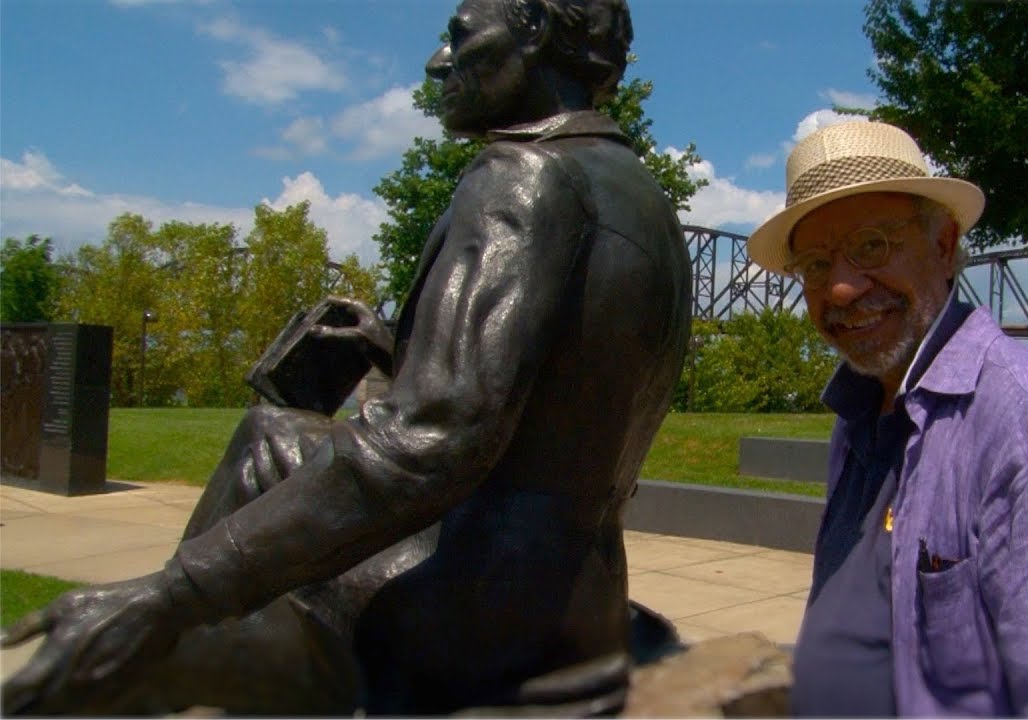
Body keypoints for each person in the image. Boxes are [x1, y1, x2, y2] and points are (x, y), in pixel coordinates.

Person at [0, 0, 691, 715]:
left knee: (263, 442)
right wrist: (398, 351)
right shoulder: (643, 198)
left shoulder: (520, 177)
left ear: (537, 33)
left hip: (479, 619)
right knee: (283, 439)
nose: (437, 62)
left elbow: (431, 444)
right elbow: (566, 400)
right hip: (581, 601)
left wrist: (172, 594)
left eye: (459, 36)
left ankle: (155, 648)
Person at [746, 121, 1028, 716]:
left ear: (945, 246)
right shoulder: (857, 416)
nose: (842, 287)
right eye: (817, 265)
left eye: (872, 245)